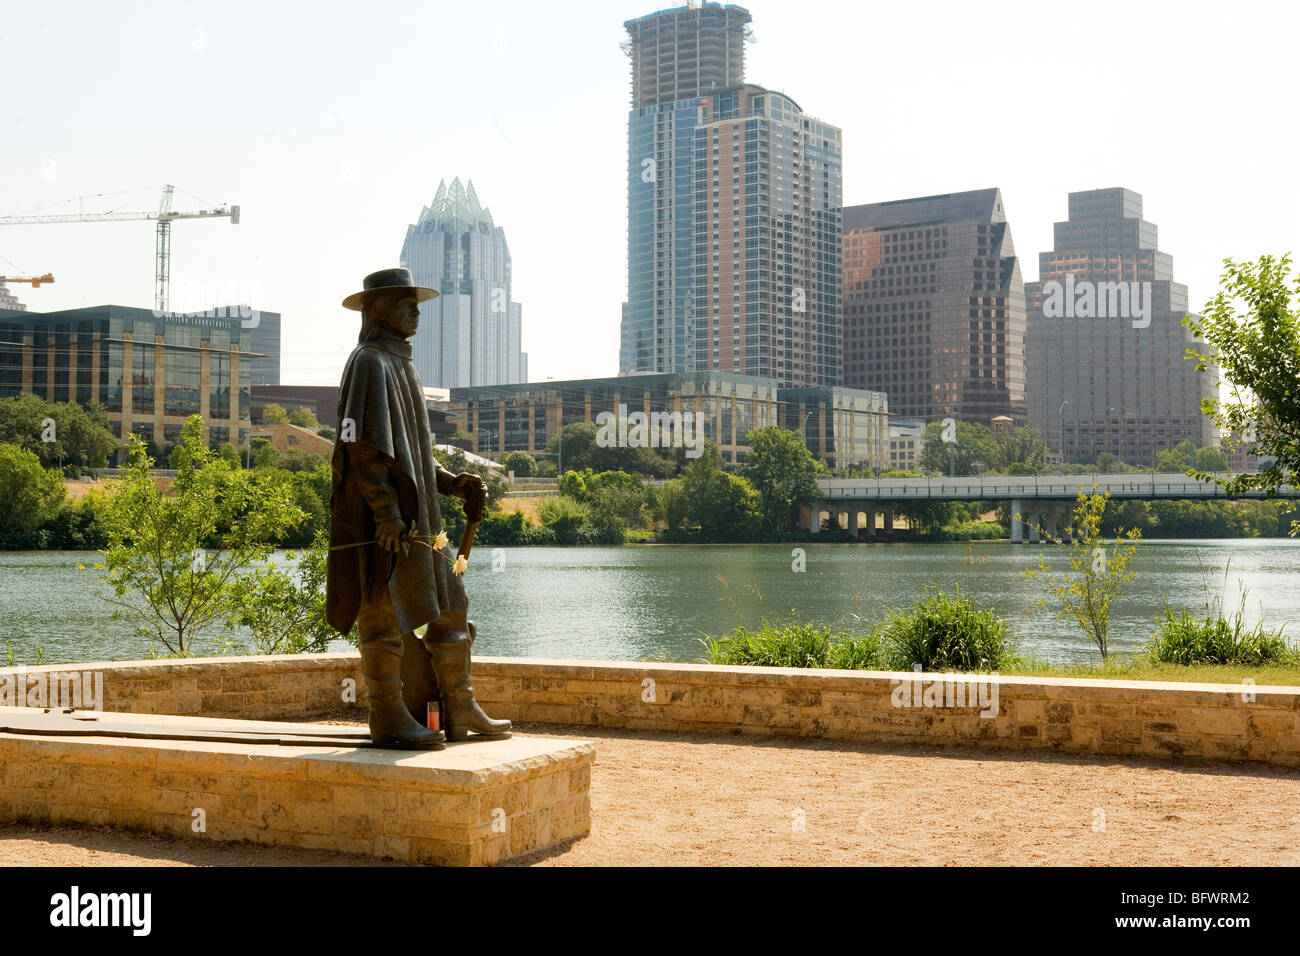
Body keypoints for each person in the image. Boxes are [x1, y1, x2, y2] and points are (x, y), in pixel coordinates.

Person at [326, 268, 511, 749]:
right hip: (389, 526)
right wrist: (386, 511)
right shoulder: (368, 361)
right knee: (383, 617)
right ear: (378, 309)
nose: (417, 311)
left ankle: (460, 706)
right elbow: (361, 449)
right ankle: (387, 714)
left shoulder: (402, 363)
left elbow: (411, 452)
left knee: (452, 606)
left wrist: (452, 484)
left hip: (422, 525)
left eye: (417, 302)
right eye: (406, 303)